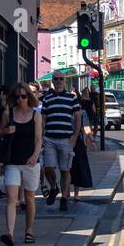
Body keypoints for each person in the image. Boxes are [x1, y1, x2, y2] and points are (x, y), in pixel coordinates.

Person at [0, 82, 43, 246]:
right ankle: (9, 234)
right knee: (11, 198)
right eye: (17, 97)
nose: (20, 100)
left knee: (30, 198)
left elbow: (39, 139)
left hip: (31, 162)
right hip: (12, 162)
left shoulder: (35, 115)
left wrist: (35, 155)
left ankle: (29, 231)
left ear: (29, 97)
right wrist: (5, 131)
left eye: (23, 96)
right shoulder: (7, 114)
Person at [40, 73, 83, 212]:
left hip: (66, 139)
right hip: (49, 139)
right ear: (52, 81)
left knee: (65, 170)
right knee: (48, 168)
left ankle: (64, 198)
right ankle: (54, 187)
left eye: (61, 79)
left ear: (65, 81)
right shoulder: (47, 99)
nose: (58, 81)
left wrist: (75, 136)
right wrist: (40, 137)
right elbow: (43, 120)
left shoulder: (72, 98)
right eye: (56, 79)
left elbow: (77, 118)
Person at [70, 87, 96, 199]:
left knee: (78, 167)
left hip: (78, 143)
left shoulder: (82, 112)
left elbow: (86, 127)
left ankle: (75, 194)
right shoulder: (64, 111)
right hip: (65, 141)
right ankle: (65, 194)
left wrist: (91, 139)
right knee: (66, 169)